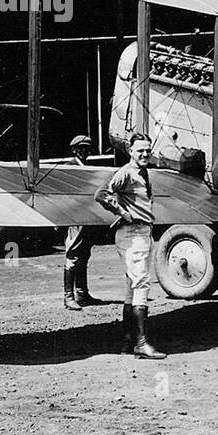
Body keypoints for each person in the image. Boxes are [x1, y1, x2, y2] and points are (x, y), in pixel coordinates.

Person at [93, 132, 164, 360]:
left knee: (132, 288)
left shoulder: (143, 173)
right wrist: (122, 212)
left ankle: (128, 341)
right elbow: (101, 194)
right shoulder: (127, 173)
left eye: (147, 150)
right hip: (133, 234)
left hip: (142, 233)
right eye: (140, 150)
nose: (144, 154)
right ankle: (141, 343)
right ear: (130, 151)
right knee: (141, 285)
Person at [63, 133, 99, 311]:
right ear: (74, 150)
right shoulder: (69, 167)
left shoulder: (88, 166)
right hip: (75, 218)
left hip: (88, 217)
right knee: (73, 255)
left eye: (87, 149)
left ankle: (82, 294)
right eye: (81, 148)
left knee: (84, 255)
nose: (84, 152)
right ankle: (68, 297)